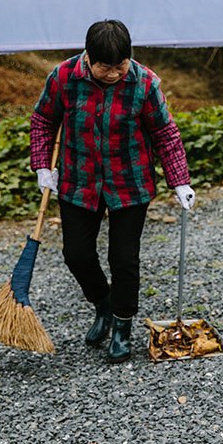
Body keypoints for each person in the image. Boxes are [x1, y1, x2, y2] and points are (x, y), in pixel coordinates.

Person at [29, 20, 196, 363]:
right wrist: (43, 165)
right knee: (76, 254)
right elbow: (44, 119)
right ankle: (102, 304)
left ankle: (121, 325)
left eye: (120, 65)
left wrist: (179, 181)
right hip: (79, 181)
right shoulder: (63, 77)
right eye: (106, 67)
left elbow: (165, 132)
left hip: (130, 182)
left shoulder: (144, 83)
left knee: (124, 259)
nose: (114, 74)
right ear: (89, 57)